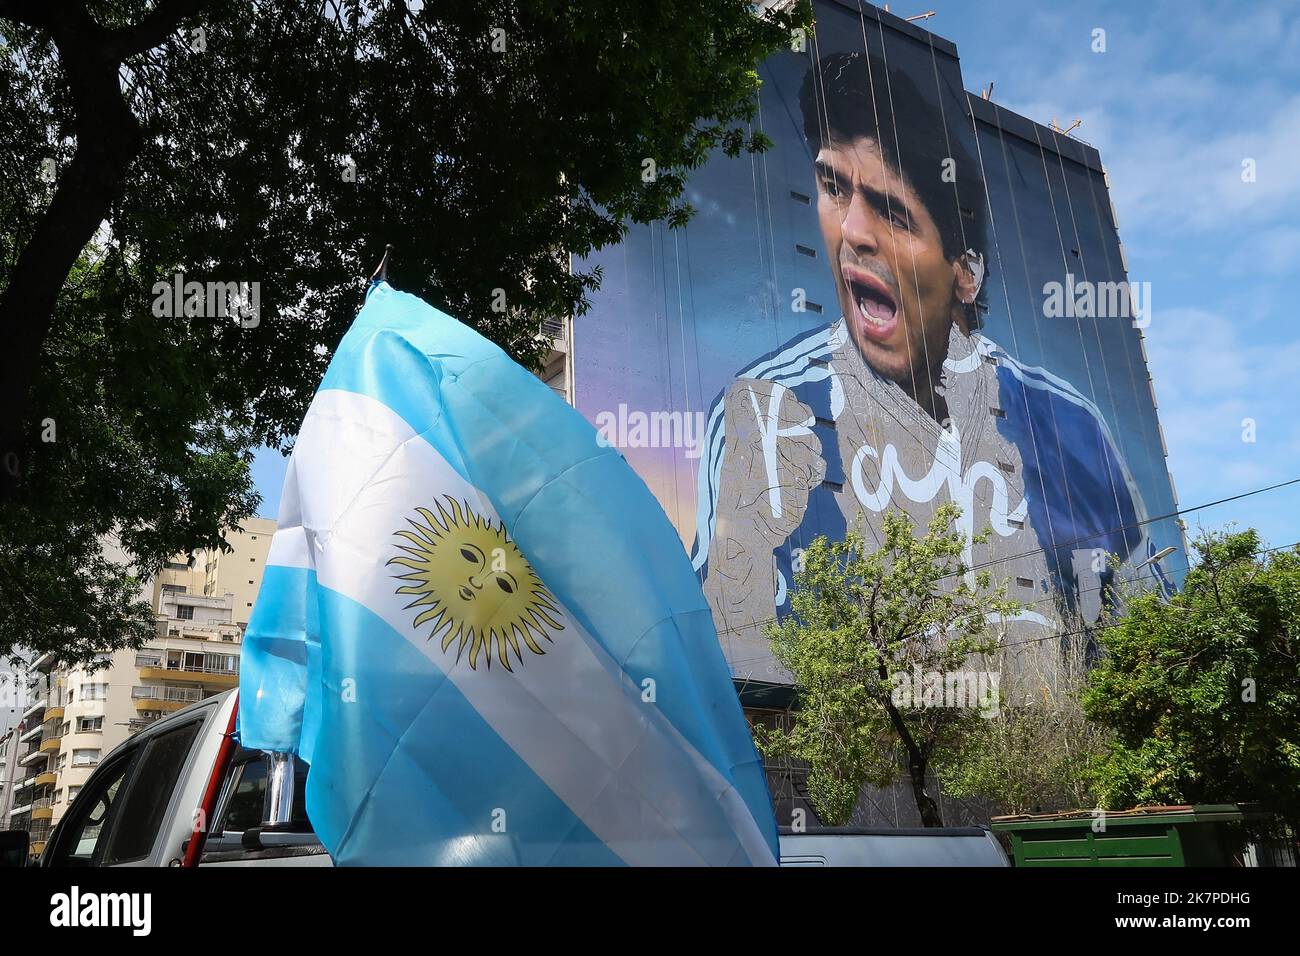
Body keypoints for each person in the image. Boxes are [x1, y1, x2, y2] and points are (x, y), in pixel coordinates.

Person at [690, 51, 1166, 670]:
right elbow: (719, 673)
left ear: (964, 273)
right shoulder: (770, 410)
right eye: (834, 186)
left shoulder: (1072, 427)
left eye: (891, 211)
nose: (853, 232)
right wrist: (744, 556)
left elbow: (1154, 647)